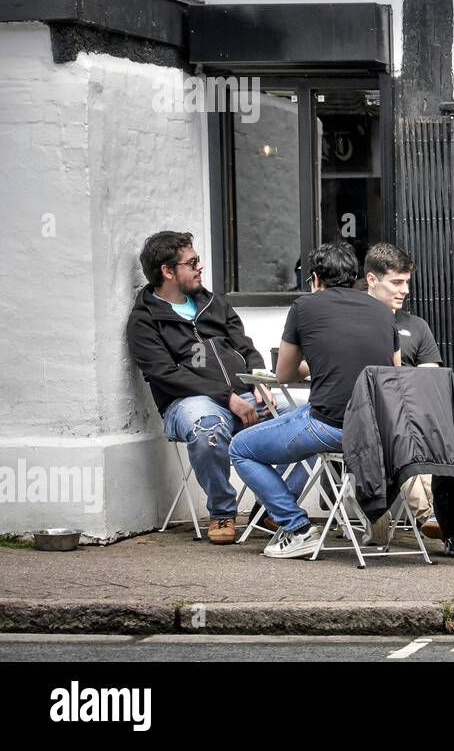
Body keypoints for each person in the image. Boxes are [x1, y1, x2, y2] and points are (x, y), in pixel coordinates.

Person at [229, 242, 400, 559]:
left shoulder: (304, 307)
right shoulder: (382, 311)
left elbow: (284, 374)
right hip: (378, 430)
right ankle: (357, 514)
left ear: (316, 279)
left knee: (240, 448)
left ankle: (296, 528)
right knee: (304, 419)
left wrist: (314, 364)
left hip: (332, 426)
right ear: (355, 276)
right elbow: (395, 374)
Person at [128, 231, 272, 545]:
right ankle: (222, 511)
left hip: (243, 395)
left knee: (307, 419)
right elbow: (166, 374)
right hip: (187, 403)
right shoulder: (145, 320)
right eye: (192, 263)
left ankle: (272, 508)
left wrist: (260, 381)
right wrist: (227, 397)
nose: (199, 268)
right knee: (208, 427)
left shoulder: (214, 303)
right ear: (168, 271)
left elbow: (246, 348)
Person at [363, 242, 445, 543]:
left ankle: (441, 516)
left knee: (432, 432)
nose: (405, 291)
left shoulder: (416, 326)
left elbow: (430, 378)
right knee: (405, 437)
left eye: (407, 282)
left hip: (411, 410)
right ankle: (434, 516)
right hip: (369, 414)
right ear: (372, 280)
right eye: (397, 282)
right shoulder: (352, 321)